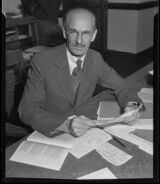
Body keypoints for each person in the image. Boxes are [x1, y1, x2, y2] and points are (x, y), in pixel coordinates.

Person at [18, 7, 144, 138]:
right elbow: (27, 110)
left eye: (86, 33)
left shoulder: (95, 58)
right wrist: (67, 124)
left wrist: (131, 105)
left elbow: (121, 86)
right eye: (73, 32)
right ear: (64, 32)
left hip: (84, 131)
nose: (79, 41)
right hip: (51, 130)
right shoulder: (42, 61)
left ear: (94, 35)